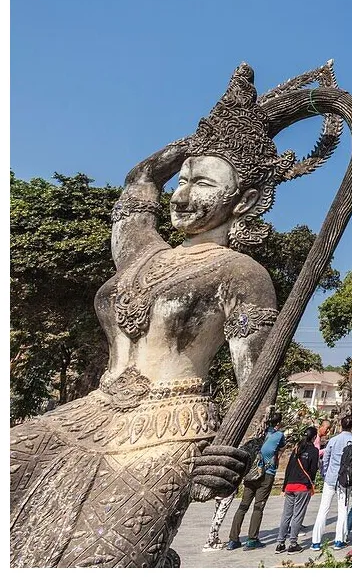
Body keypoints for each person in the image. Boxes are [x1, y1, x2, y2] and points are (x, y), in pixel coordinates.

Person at [9, 64, 313, 567]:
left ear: (248, 199)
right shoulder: (142, 255)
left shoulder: (240, 272)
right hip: (92, 411)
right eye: (186, 180)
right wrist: (203, 140)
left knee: (102, 554)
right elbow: (140, 181)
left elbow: (257, 375)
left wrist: (235, 450)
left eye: (205, 184)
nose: (184, 196)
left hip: (171, 423)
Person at [228, 412, 286, 550]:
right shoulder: (279, 435)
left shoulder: (257, 435)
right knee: (258, 507)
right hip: (266, 475)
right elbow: (281, 449)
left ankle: (233, 540)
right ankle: (252, 539)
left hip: (250, 474)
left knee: (243, 506)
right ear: (278, 423)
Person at [311, 414, 352, 551]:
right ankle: (340, 540)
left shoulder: (333, 440)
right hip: (346, 480)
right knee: (343, 509)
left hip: (331, 478)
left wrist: (325, 473)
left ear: (341, 425)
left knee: (323, 509)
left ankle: (316, 541)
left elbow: (325, 458)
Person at [276, 425, 321, 553]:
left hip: (290, 485)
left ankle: (280, 543)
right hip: (302, 487)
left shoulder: (297, 448)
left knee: (286, 515)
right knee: (297, 515)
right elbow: (313, 470)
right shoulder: (314, 451)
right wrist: (311, 483)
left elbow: (289, 468)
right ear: (314, 437)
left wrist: (284, 487)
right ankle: (293, 543)